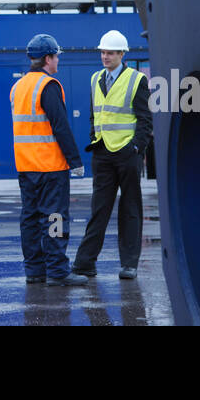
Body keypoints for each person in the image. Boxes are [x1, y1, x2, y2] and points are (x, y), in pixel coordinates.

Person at [71, 29, 151, 281]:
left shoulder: (137, 80)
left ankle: (129, 264)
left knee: (130, 208)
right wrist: (95, 137)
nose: (105, 56)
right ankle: (85, 265)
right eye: (103, 52)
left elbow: (145, 120)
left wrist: (136, 148)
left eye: (110, 53)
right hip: (103, 152)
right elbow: (95, 113)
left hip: (128, 154)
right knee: (99, 209)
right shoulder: (96, 78)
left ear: (122, 54)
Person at [12, 33, 88, 286]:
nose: (58, 61)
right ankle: (57, 271)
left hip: (26, 166)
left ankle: (34, 271)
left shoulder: (18, 87)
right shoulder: (48, 86)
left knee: (30, 218)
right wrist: (75, 161)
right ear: (47, 58)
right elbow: (60, 126)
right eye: (56, 56)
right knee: (55, 218)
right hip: (50, 166)